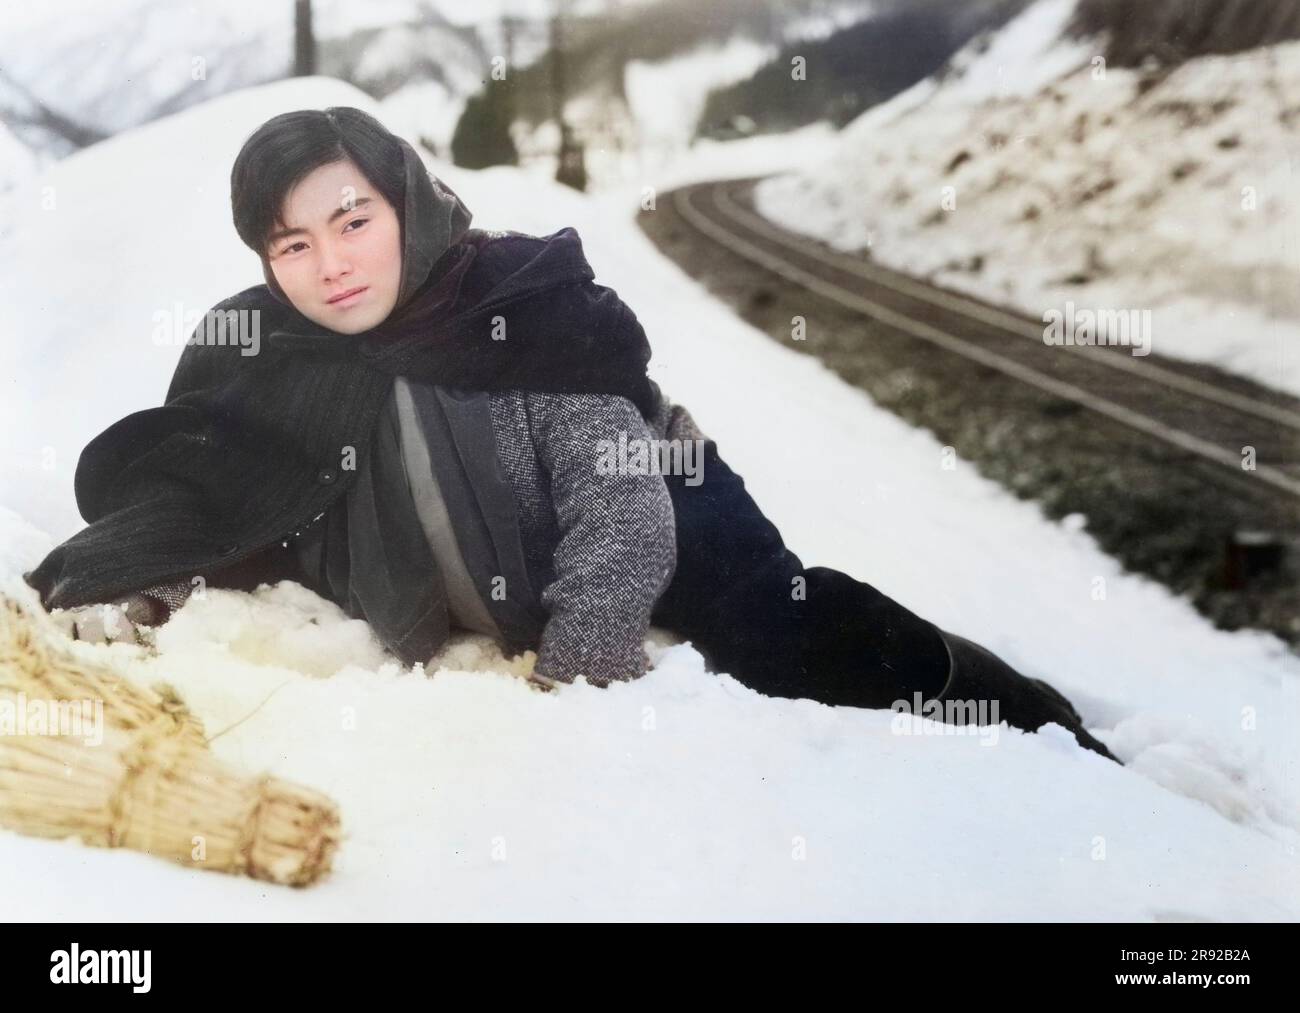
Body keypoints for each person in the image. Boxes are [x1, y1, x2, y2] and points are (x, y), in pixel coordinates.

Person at [25, 107, 1120, 764]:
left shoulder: (511, 311)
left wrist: (577, 682)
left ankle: (1030, 720)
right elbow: (224, 483)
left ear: (406, 203)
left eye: (354, 221)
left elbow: (623, 516)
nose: (332, 263)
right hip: (505, 549)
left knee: (781, 640)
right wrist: (142, 579)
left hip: (661, 492)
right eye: (294, 243)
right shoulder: (274, 346)